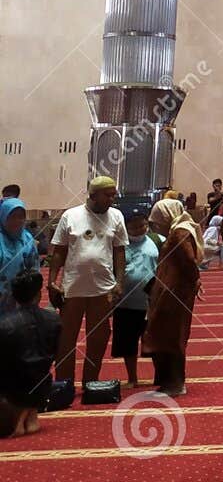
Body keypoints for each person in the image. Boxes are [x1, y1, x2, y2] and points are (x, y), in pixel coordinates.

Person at [47, 176, 127, 389]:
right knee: (66, 340)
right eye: (108, 195)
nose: (112, 199)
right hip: (72, 289)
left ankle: (91, 383)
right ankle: (64, 384)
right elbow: (59, 252)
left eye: (113, 194)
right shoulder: (70, 216)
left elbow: (120, 252)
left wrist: (119, 282)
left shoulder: (117, 216)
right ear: (93, 195)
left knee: (98, 339)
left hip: (103, 290)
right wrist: (51, 281)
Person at [143, 198, 203, 397]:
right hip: (171, 290)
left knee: (171, 335)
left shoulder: (179, 232)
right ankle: (169, 381)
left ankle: (176, 384)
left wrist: (195, 280)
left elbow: (188, 260)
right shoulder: (178, 230)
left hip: (174, 292)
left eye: (157, 219)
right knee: (166, 334)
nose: (155, 224)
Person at [0, 271, 60, 436]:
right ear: (39, 294)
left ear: (13, 295)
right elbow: (55, 353)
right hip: (42, 385)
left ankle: (18, 418)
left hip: (12, 391)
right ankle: (30, 416)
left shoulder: (4, 324)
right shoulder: (54, 320)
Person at [112, 208, 157, 385]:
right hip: (125, 303)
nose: (139, 230)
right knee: (128, 344)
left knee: (154, 342)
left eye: (142, 225)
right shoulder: (118, 245)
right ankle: (132, 378)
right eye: (134, 227)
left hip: (150, 302)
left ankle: (158, 377)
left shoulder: (157, 240)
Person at [0, 196, 40, 316]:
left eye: (21, 216)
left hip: (21, 299)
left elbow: (34, 270)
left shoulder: (27, 239)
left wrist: (34, 294)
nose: (17, 220)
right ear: (3, 217)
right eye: (12, 216)